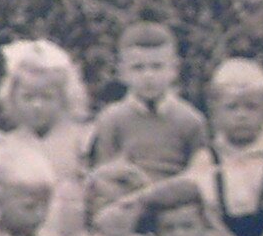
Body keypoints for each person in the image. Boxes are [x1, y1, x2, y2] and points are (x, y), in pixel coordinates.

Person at [0, 38, 92, 236]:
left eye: (46, 97)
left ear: (63, 98)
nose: (37, 105)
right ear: (12, 98)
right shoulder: (5, 145)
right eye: (28, 97)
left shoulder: (82, 140)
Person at [186, 58, 263, 236]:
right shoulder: (207, 158)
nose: (242, 116)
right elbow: (206, 212)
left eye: (251, 107)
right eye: (232, 107)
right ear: (214, 109)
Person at [88, 21, 207, 181]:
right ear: (122, 72)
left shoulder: (190, 120)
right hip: (125, 199)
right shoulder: (111, 119)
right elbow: (103, 175)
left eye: (157, 67)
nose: (148, 76)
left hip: (177, 201)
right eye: (138, 68)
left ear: (174, 69)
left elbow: (199, 176)